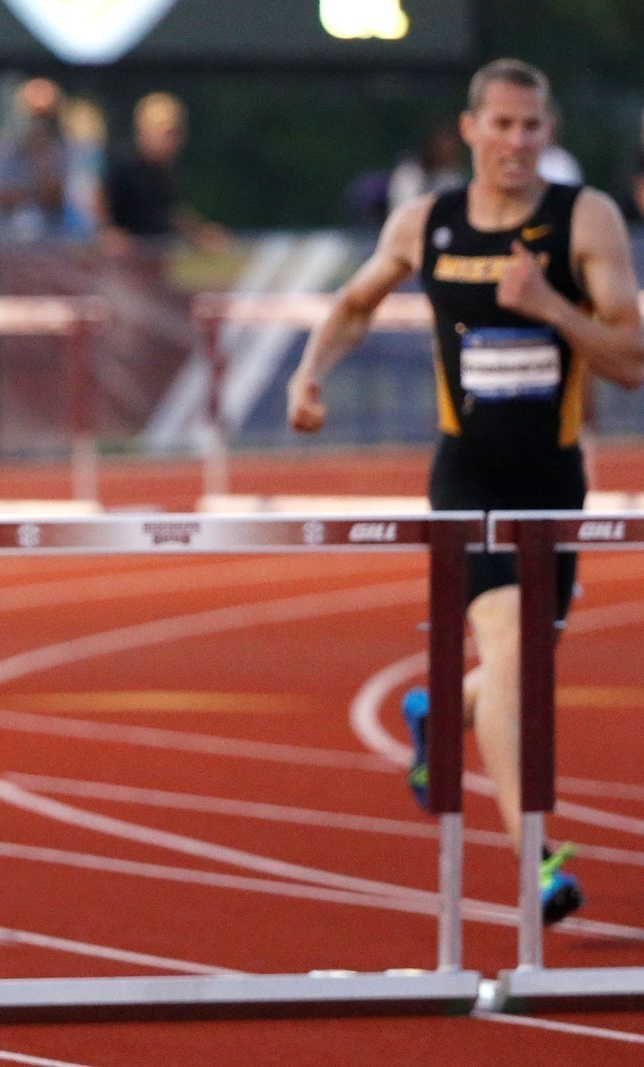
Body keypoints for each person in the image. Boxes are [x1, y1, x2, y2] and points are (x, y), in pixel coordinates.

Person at [285, 58, 644, 926]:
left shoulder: (582, 218)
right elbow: (357, 301)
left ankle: (436, 710)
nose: (518, 141)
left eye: (533, 126)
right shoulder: (428, 223)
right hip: (468, 475)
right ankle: (534, 856)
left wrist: (549, 306)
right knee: (513, 649)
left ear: (548, 133)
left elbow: (630, 361)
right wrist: (309, 374)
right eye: (503, 125)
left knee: (521, 667)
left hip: (555, 476)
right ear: (472, 128)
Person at [101, 91, 228, 255]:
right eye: (166, 132)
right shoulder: (124, 167)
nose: (172, 140)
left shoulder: (166, 173)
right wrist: (108, 231)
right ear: (143, 131)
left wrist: (199, 232)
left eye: (177, 132)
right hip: (122, 264)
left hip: (153, 261)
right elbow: (97, 202)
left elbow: (167, 213)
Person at [0, 77, 73, 240]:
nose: (37, 122)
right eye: (32, 114)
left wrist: (40, 157)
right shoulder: (4, 148)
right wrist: (36, 190)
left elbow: (60, 196)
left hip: (54, 243)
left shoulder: (65, 149)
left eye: (44, 116)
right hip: (9, 243)